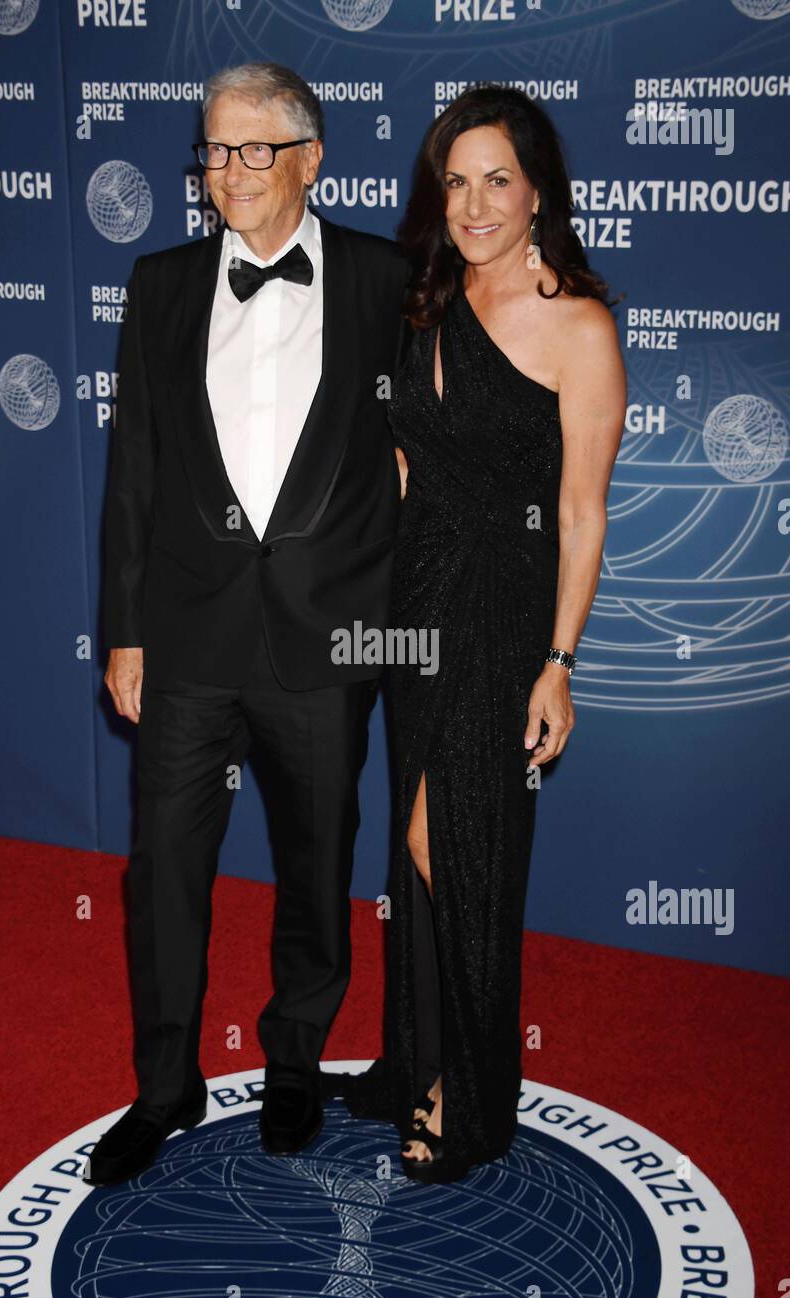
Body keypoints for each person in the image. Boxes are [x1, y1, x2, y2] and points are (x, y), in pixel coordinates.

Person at [87, 61, 411, 1186]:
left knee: (317, 867)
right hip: (184, 635)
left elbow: (418, 455)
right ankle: (165, 1087)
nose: (222, 173)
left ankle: (290, 1063)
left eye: (248, 151)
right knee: (161, 869)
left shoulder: (383, 278)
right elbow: (133, 472)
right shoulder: (161, 282)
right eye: (212, 152)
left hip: (327, 641)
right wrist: (123, 630)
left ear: (310, 159)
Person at [336, 86, 627, 1183]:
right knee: (413, 844)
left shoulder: (578, 325)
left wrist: (560, 662)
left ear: (537, 189)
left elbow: (583, 510)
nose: (472, 202)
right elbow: (408, 462)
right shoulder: (429, 300)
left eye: (495, 178)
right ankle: (415, 1054)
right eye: (454, 182)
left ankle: (473, 1096)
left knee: (449, 843)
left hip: (504, 611)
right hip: (415, 605)